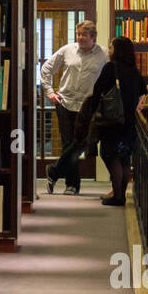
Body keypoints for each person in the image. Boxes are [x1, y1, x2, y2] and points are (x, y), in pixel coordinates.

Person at [41, 20, 107, 194]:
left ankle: (53, 171)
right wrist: (50, 91)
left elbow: (112, 77)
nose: (80, 38)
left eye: (84, 35)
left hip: (88, 106)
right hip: (65, 102)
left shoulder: (103, 55)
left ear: (93, 37)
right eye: (78, 34)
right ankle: (72, 185)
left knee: (79, 145)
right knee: (68, 143)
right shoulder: (67, 50)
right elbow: (46, 69)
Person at [89, 36, 147, 206]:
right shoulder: (134, 70)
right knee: (124, 158)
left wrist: (92, 112)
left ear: (118, 50)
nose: (109, 50)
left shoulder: (110, 68)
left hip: (111, 121)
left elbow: (97, 89)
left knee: (110, 156)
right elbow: (143, 90)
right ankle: (120, 194)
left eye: (111, 47)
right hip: (129, 122)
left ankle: (118, 196)